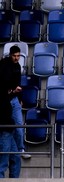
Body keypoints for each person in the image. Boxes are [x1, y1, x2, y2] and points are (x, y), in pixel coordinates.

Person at [0, 46, 23, 174]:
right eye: (14, 55)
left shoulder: (17, 66)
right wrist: (11, 91)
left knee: (19, 127)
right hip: (5, 129)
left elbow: (18, 83)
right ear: (10, 55)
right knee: (3, 161)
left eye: (18, 56)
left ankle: (21, 148)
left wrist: (18, 96)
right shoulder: (3, 65)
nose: (16, 58)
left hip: (13, 99)